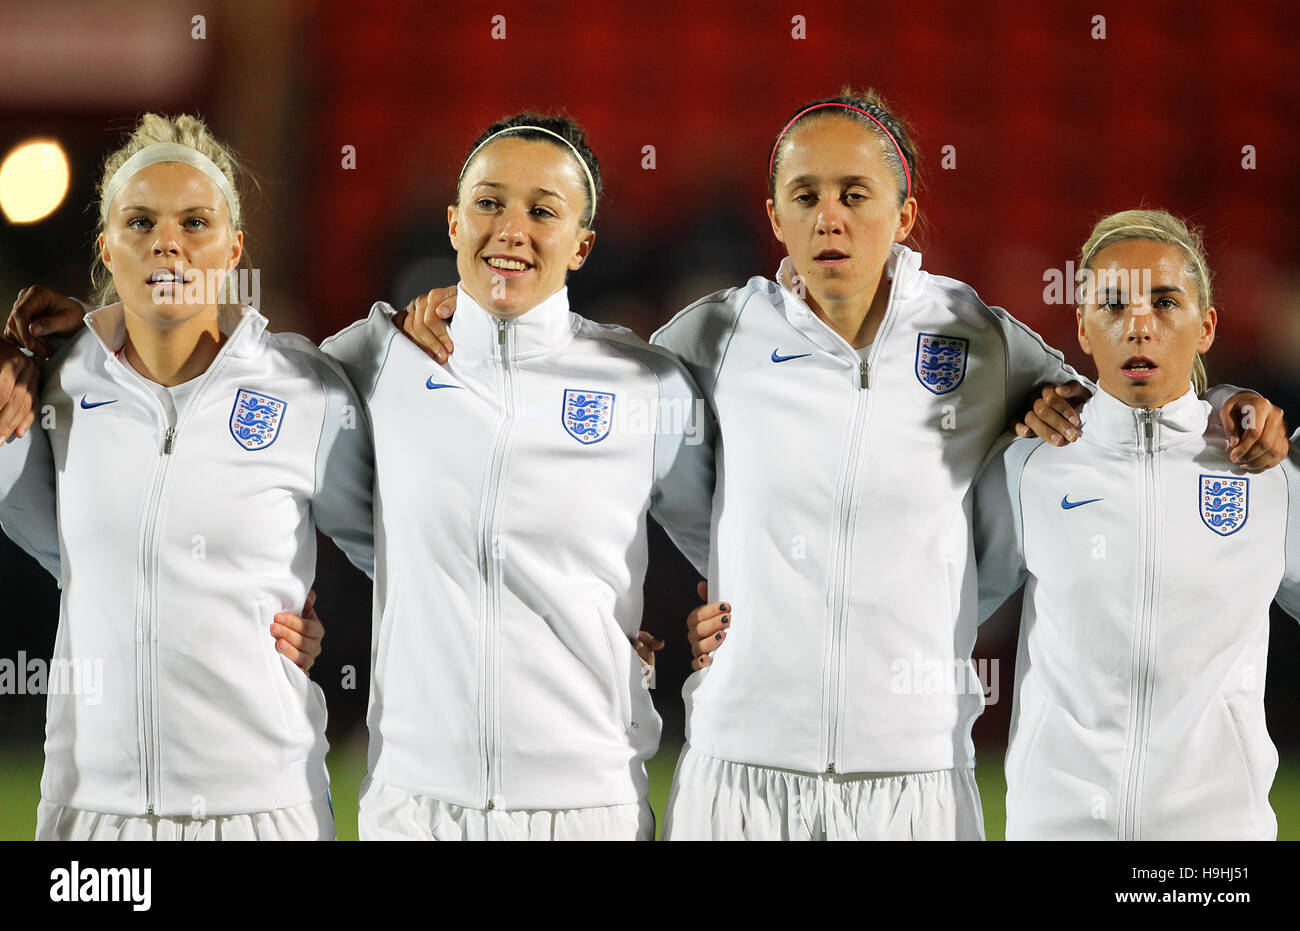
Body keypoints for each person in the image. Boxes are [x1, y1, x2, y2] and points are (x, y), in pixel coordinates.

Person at [650, 90, 1288, 839]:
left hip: (916, 778)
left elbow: (1131, 406)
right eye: (805, 194)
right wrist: (728, 568)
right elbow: (587, 406)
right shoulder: (717, 333)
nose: (830, 217)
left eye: (856, 194)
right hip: (739, 768)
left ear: (904, 215)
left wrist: (1233, 403)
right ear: (773, 216)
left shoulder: (975, 337)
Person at [313, 112, 713, 840]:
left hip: (588, 803)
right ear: (453, 222)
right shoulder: (375, 365)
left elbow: (728, 543)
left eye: (543, 210)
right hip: (414, 802)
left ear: (583, 244)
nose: (511, 228)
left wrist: (705, 631)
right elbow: (244, 383)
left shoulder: (645, 385)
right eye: (489, 202)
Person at [0, 112, 374, 840]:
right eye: (139, 221)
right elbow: (63, 551)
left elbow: (399, 551)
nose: (166, 240)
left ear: (234, 247)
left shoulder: (308, 391)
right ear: (107, 245)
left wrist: (322, 622)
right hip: (92, 818)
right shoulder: (54, 383)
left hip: (265, 811)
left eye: (195, 221)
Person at [973, 209, 1300, 839]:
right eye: (1113, 304)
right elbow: (935, 613)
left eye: (1166, 302)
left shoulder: (1269, 473)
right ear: (1083, 328)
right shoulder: (1029, 467)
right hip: (1058, 828)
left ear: (1206, 327)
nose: (1140, 324)